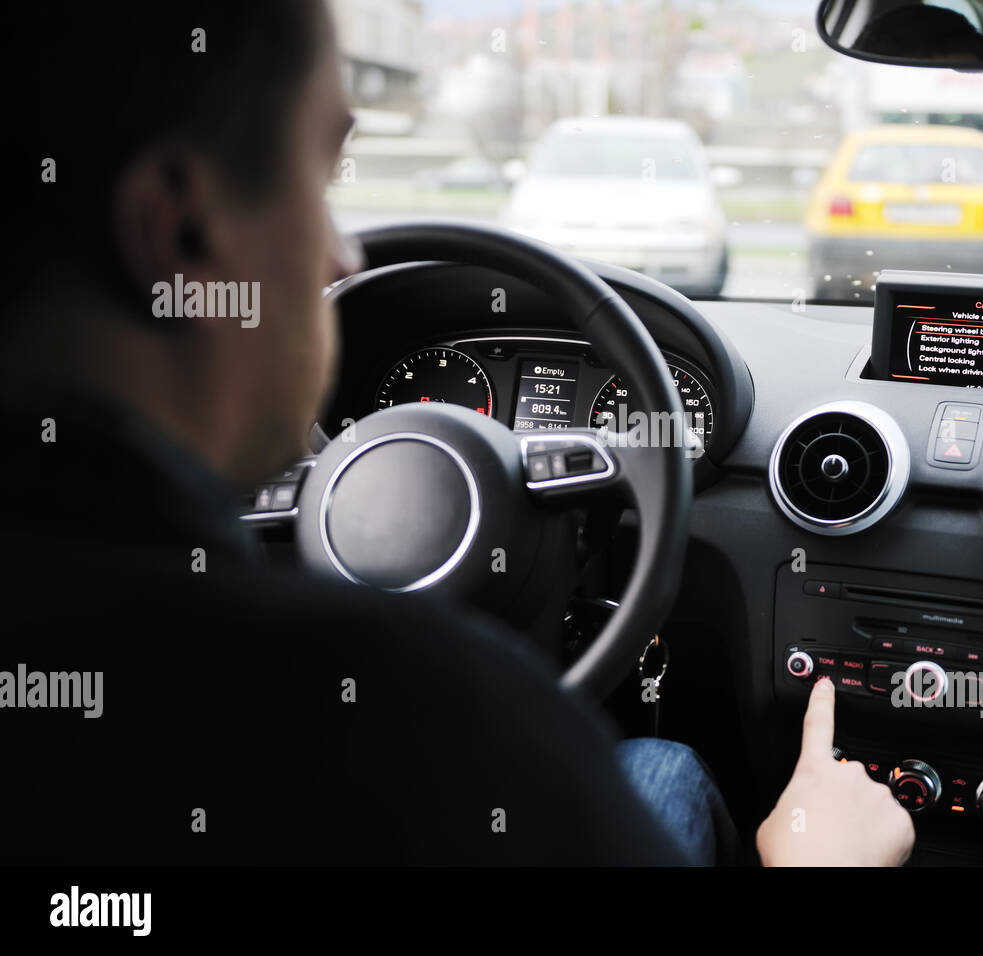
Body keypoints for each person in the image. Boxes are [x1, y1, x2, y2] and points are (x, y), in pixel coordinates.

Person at [0, 0, 913, 867]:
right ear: (183, 230)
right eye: (320, 182)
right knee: (660, 770)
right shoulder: (451, 729)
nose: (342, 259)